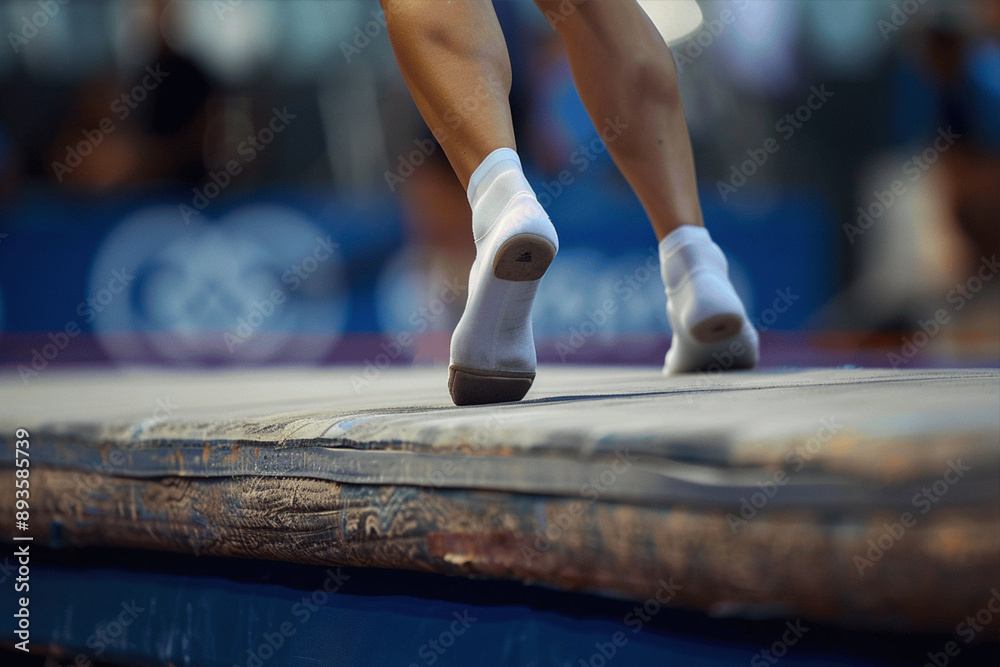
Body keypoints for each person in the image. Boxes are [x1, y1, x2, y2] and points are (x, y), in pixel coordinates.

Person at [381, 0, 758, 405]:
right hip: (516, 58)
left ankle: (501, 202)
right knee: (594, 10)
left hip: (475, 58)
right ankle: (694, 265)